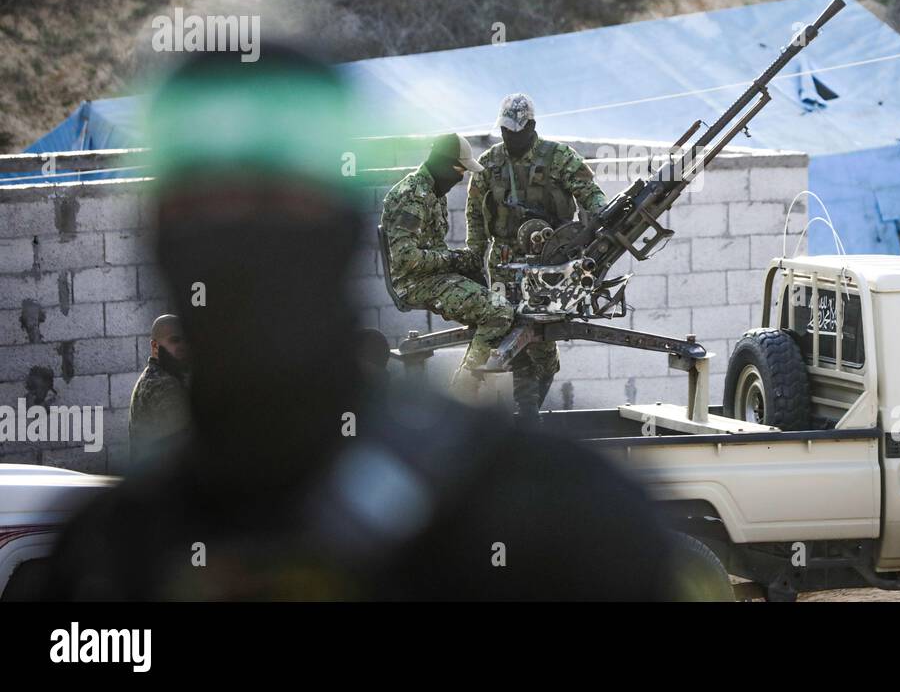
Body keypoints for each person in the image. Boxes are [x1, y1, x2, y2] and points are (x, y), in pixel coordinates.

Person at [41, 41, 678, 601]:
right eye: (205, 203)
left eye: (277, 200)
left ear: (341, 229)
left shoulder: (565, 527)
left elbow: (572, 201)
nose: (244, 244)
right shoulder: (106, 563)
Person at [465, 93, 606, 411]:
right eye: (505, 131)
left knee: (541, 346)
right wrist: (474, 258)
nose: (510, 137)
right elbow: (475, 213)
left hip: (547, 265)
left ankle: (529, 410)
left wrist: (600, 225)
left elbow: (590, 194)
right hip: (503, 265)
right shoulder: (489, 163)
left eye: (517, 131)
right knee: (513, 338)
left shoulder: (558, 157)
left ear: (532, 126)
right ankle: (525, 415)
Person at [381, 134, 513, 395]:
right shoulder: (413, 196)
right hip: (414, 283)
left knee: (494, 299)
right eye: (459, 169)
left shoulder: (432, 190)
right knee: (500, 312)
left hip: (431, 276)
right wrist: (453, 260)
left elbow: (432, 250)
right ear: (443, 164)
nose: (461, 176)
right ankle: (463, 391)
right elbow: (406, 259)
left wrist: (462, 263)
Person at [127, 314, 191, 466]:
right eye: (174, 340)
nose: (182, 346)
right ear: (155, 346)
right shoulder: (163, 385)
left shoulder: (154, 377)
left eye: (186, 340)